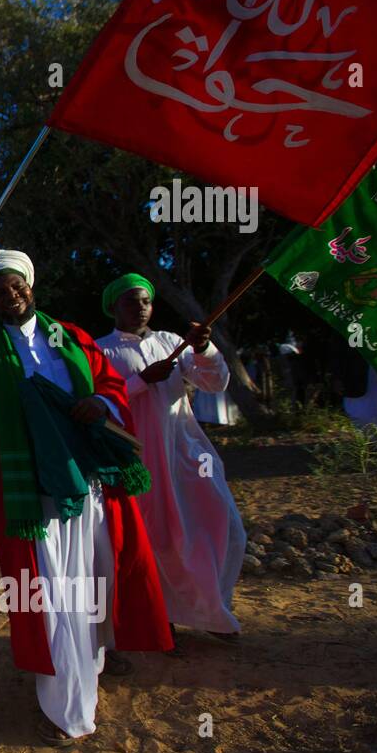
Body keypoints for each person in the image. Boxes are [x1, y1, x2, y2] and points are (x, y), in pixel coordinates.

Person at [0, 252, 171, 745]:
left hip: (90, 486)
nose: (11, 295)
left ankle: (90, 664)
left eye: (16, 285)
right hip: (35, 499)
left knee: (95, 580)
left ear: (30, 286)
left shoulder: (72, 338)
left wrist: (99, 401)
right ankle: (65, 710)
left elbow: (112, 384)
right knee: (52, 598)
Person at [96, 274, 245, 639]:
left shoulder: (171, 342)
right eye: (131, 301)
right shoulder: (100, 351)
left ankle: (212, 609)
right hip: (140, 458)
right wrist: (141, 381)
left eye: (145, 301)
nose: (140, 308)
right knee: (158, 539)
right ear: (113, 306)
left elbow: (215, 382)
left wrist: (203, 349)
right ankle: (161, 616)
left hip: (185, 449)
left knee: (222, 523)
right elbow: (97, 405)